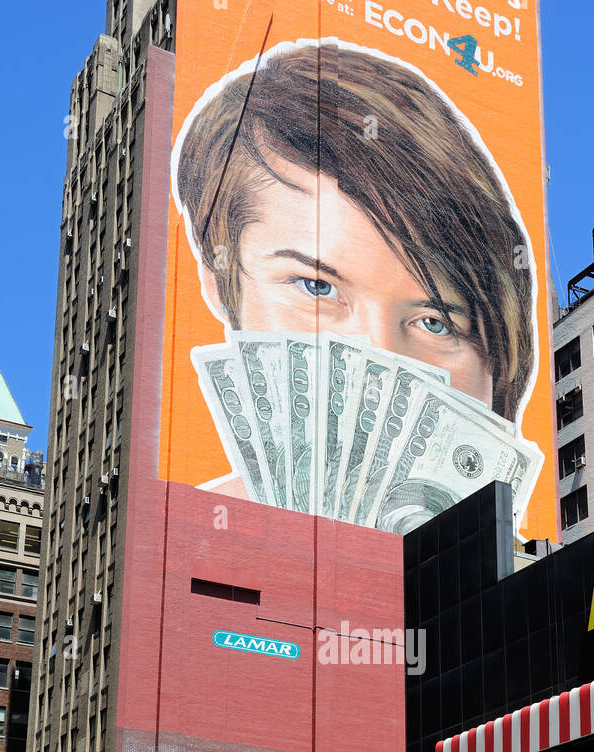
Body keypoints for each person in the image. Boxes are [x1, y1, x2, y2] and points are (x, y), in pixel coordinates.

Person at [173, 42, 539, 498]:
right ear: (219, 285)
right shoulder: (178, 551)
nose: (381, 366)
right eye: (317, 287)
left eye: (435, 323)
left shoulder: (539, 569)